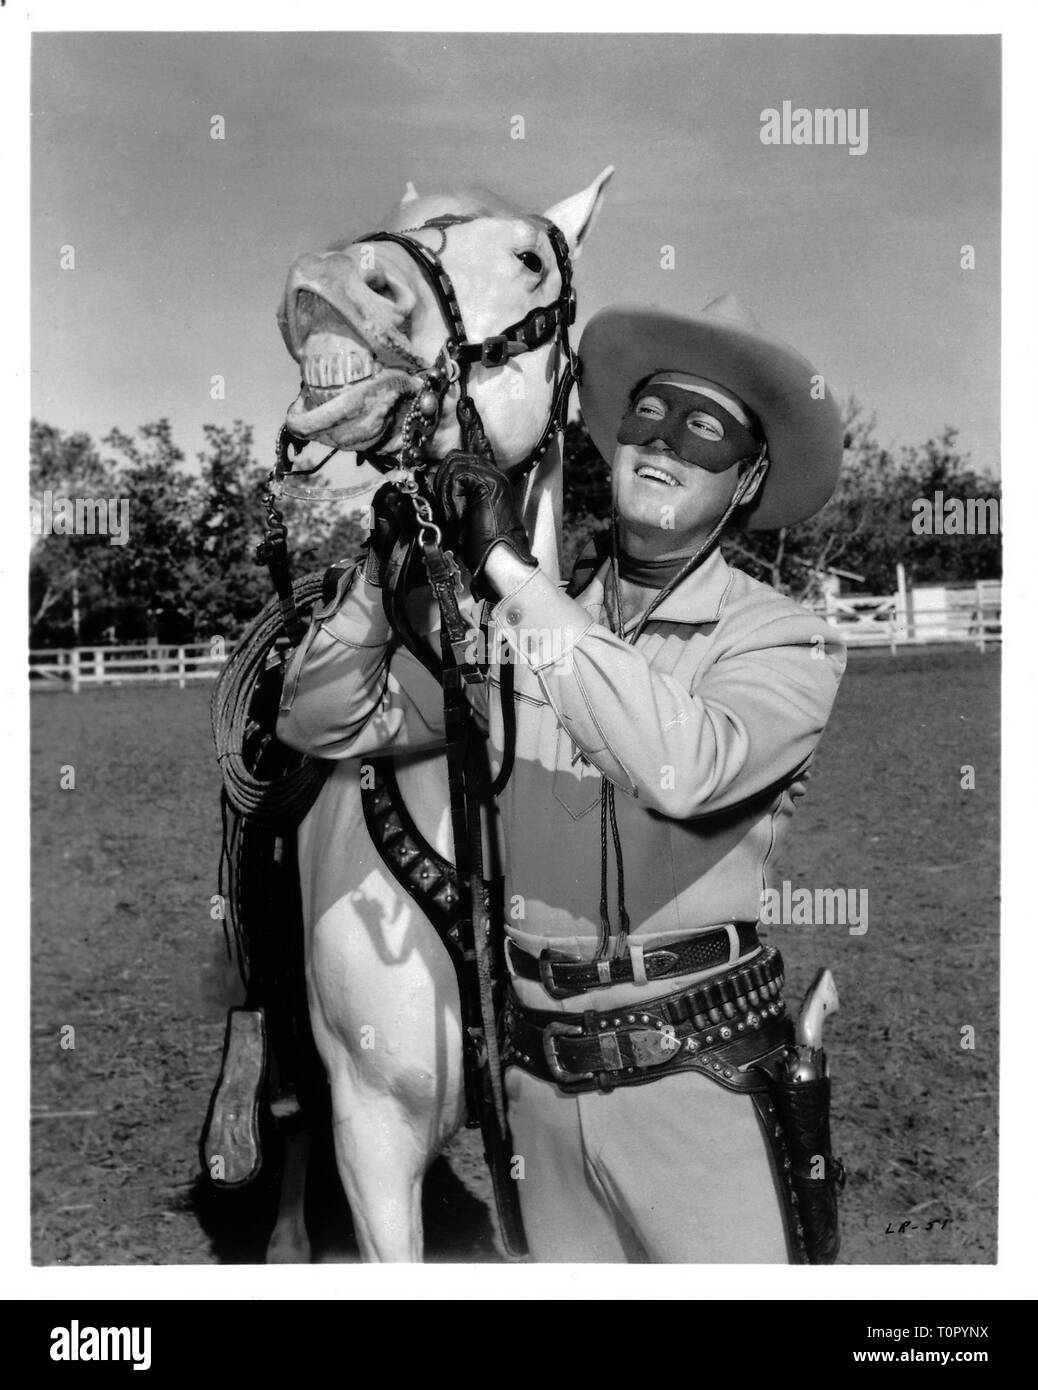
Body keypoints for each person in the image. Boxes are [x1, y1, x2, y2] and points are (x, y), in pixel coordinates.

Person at [277, 293, 847, 1262]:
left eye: (704, 433)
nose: (663, 444)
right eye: (648, 416)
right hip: (537, 1088)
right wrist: (377, 572)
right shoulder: (516, 635)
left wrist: (508, 567)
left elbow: (684, 768)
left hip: (698, 1078)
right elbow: (328, 720)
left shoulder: (783, 636)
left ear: (748, 480)